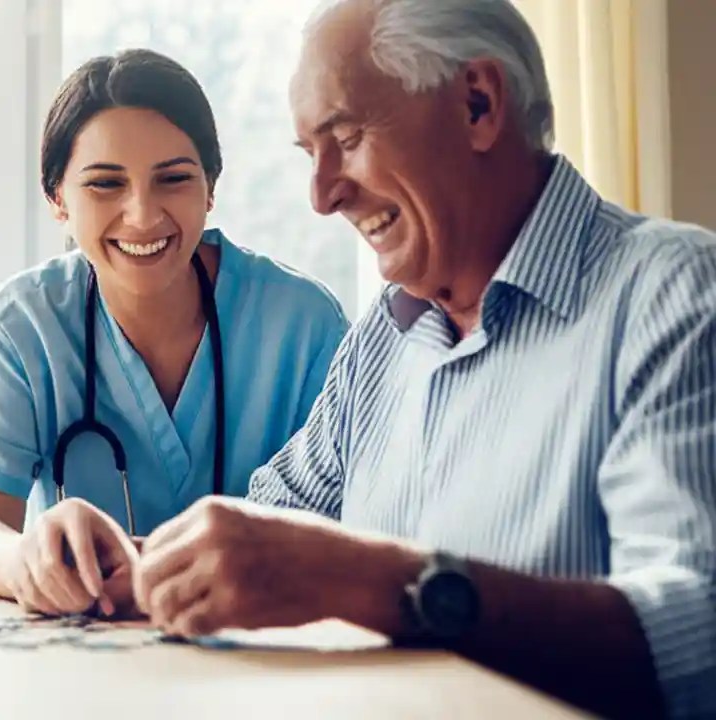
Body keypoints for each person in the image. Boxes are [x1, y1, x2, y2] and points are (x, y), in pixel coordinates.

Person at [131, 1, 716, 718]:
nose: (322, 196)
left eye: (345, 136)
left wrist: (385, 583)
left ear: (477, 104)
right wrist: (124, 562)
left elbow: (693, 639)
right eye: (308, 153)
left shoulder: (676, 293)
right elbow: (262, 544)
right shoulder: (385, 336)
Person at [0, 49, 348, 618]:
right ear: (57, 199)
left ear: (210, 189)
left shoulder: (304, 324)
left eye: (173, 179)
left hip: (261, 661)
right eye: (104, 184)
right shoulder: (22, 326)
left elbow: (352, 535)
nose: (142, 215)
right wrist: (26, 559)